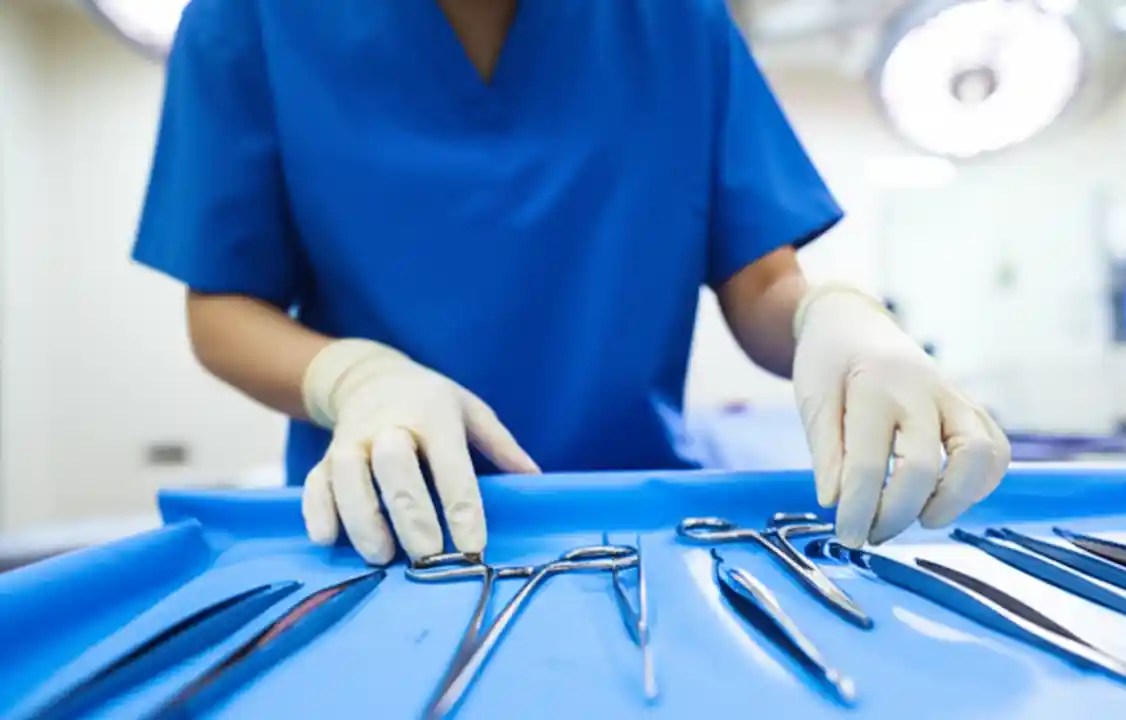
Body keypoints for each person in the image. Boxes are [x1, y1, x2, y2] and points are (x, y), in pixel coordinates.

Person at [134, 0, 1010, 566]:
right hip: (378, 525)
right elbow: (222, 308)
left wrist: (839, 320)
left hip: (638, 528)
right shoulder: (249, 19)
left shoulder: (679, 25)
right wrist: (357, 379)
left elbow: (761, 286)